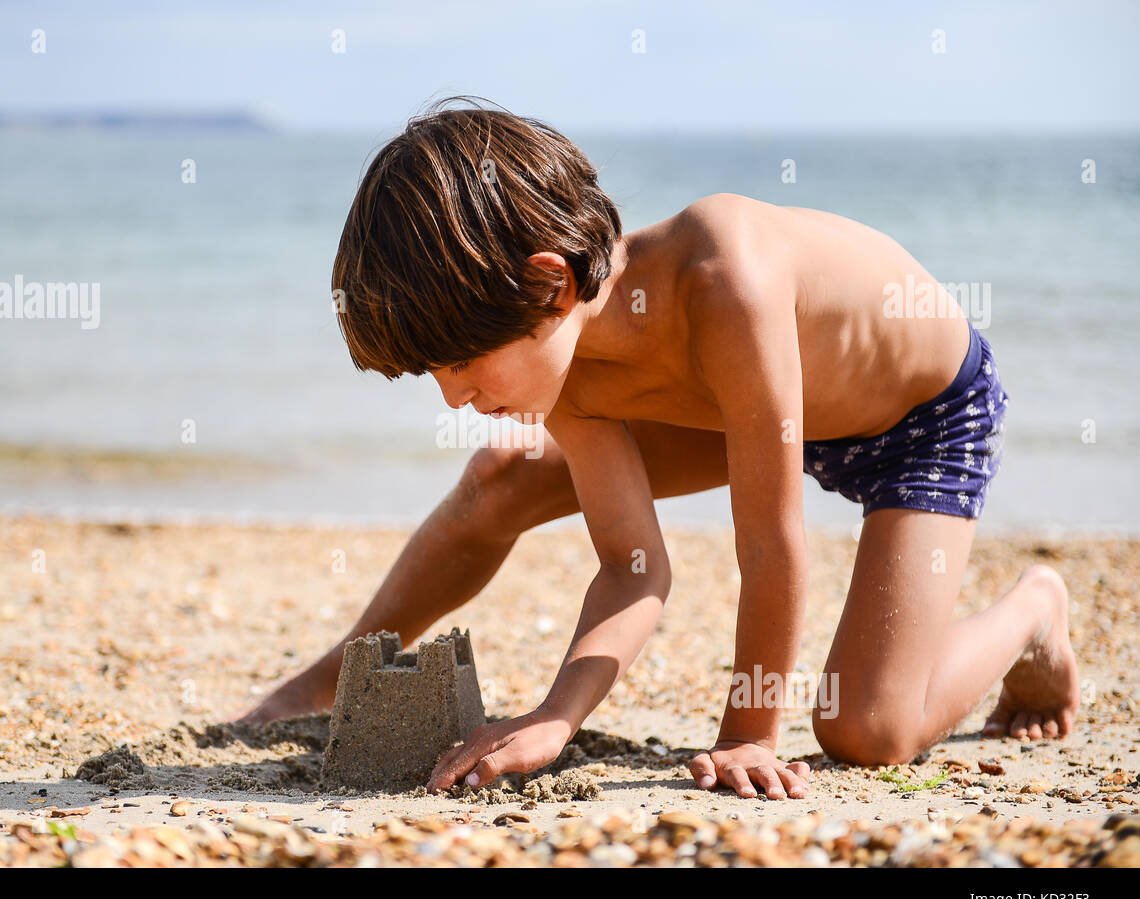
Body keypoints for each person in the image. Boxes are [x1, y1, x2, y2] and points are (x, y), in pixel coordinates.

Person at [230, 97, 1077, 800]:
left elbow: (772, 543)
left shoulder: (723, 281)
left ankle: (1036, 611)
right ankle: (334, 677)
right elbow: (635, 565)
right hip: (761, 408)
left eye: (459, 361)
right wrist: (557, 716)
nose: (452, 395)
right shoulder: (569, 367)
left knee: (867, 728)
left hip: (920, 416)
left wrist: (749, 732)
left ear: (551, 282)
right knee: (501, 474)